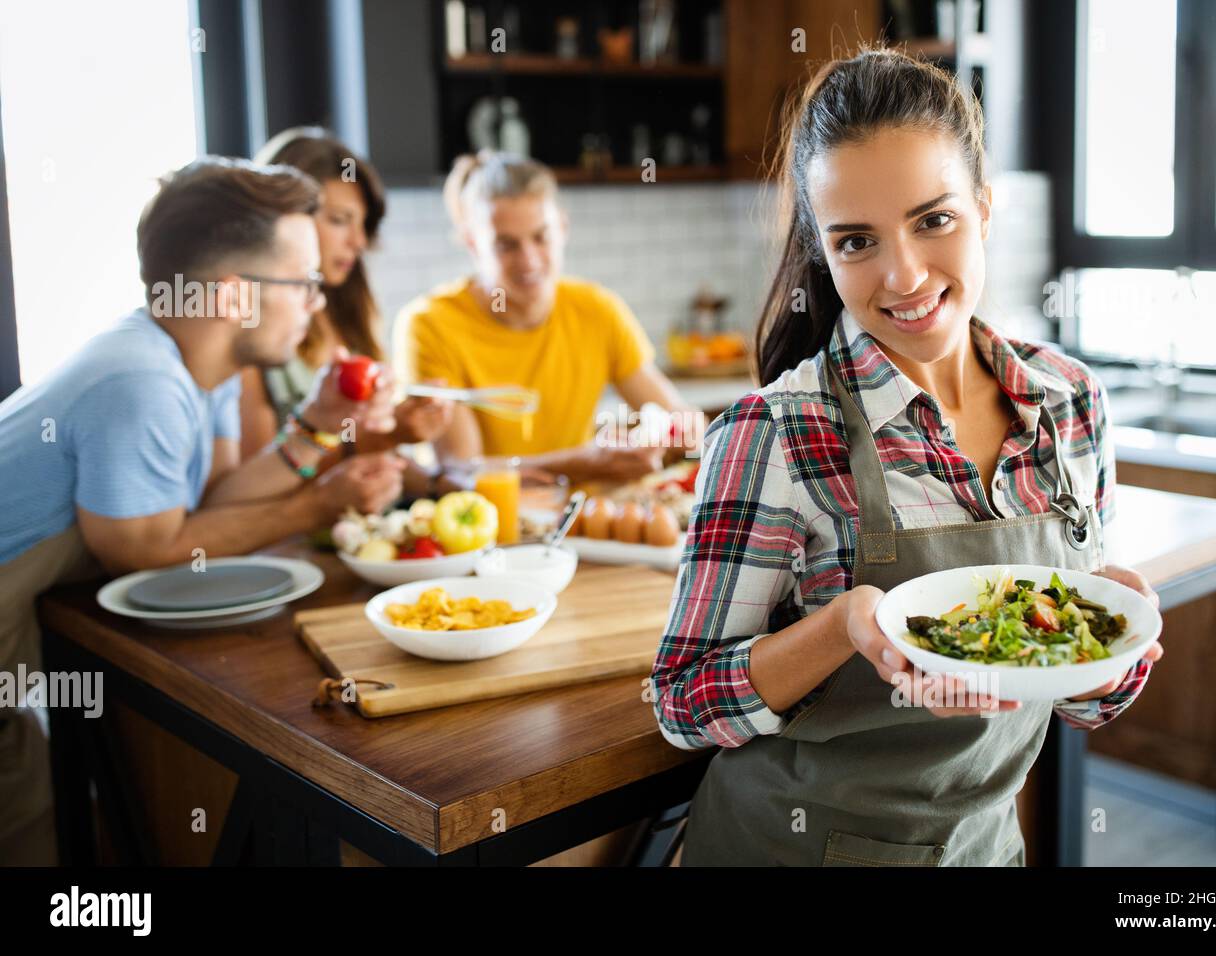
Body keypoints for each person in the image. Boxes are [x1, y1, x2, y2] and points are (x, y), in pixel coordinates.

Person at [651, 47, 1164, 867]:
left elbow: (1079, 692)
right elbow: (680, 704)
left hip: (980, 850)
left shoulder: (1069, 403)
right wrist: (845, 626)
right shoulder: (774, 434)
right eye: (857, 241)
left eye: (935, 220)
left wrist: (1111, 654)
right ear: (823, 251)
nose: (904, 273)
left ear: (985, 210)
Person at [0, 156, 406, 864]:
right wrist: (319, 499)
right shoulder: (141, 380)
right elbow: (144, 546)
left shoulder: (200, 365)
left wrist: (318, 424)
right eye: (303, 283)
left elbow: (215, 501)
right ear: (231, 297)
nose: (318, 300)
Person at [394, 151, 706, 483]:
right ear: (473, 244)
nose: (528, 260)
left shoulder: (596, 309)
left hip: (581, 521)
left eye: (541, 237)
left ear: (562, 228)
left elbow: (687, 425)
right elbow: (462, 471)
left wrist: (661, 434)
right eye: (506, 245)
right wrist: (583, 463)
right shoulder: (429, 325)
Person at [240, 128, 452, 498]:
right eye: (339, 220)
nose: (358, 241)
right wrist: (383, 437)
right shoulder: (253, 335)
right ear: (287, 220)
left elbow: (380, 460)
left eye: (361, 223)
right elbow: (257, 488)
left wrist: (442, 485)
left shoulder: (347, 315)